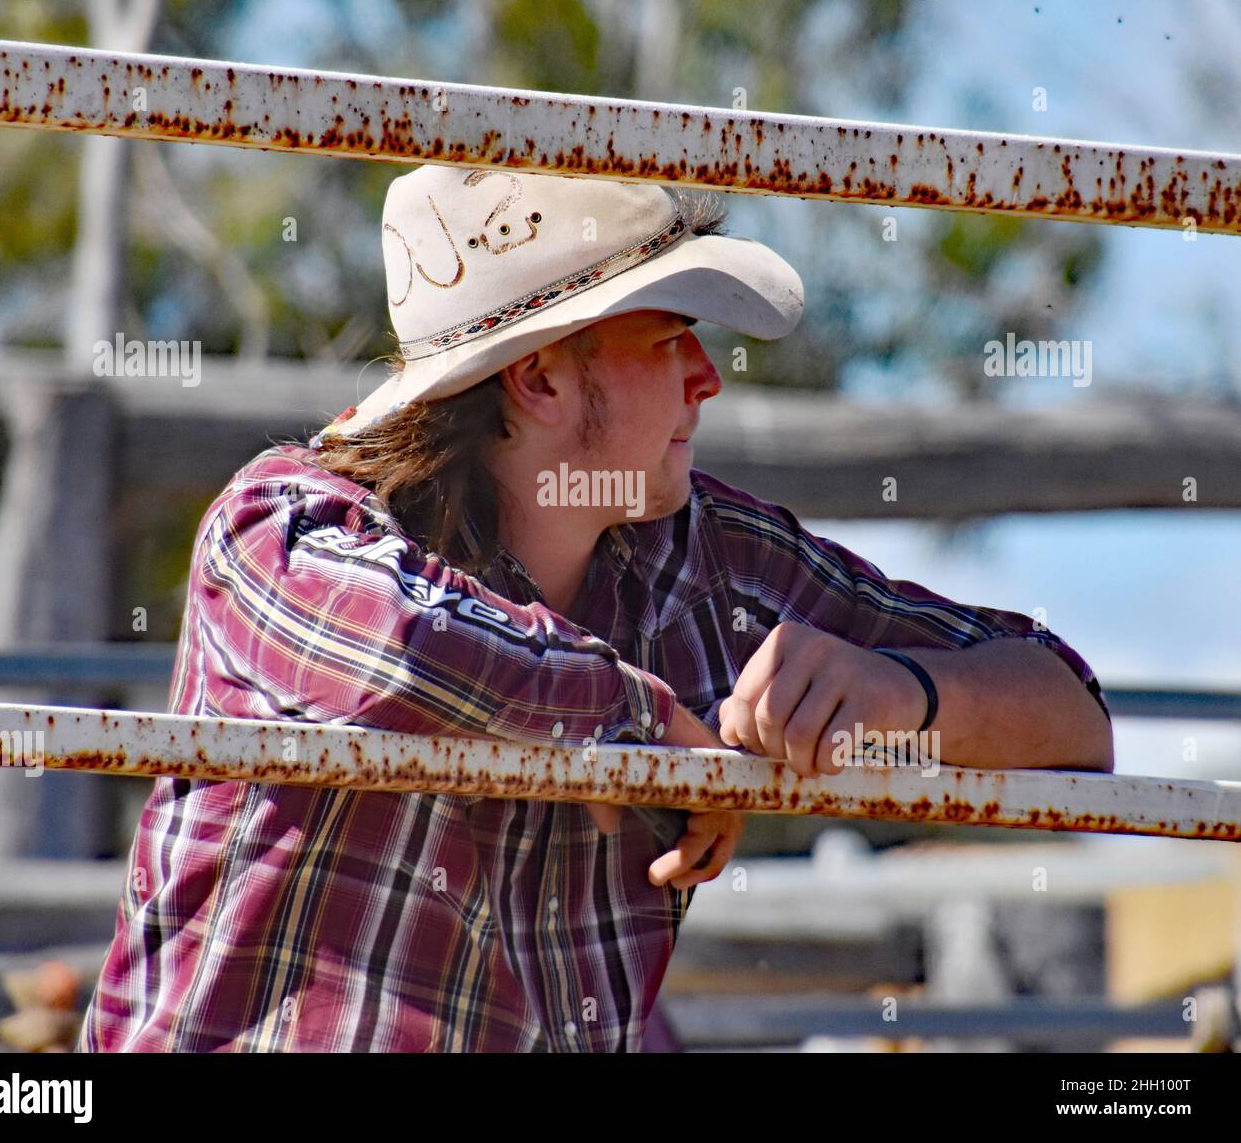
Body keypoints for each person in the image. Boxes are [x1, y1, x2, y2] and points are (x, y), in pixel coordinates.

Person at [78, 165, 1113, 1053]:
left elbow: (1069, 716)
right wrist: (646, 723)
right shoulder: (283, 531)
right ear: (536, 377)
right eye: (669, 339)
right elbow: (403, 654)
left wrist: (906, 695)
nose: (707, 378)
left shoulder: (712, 560)